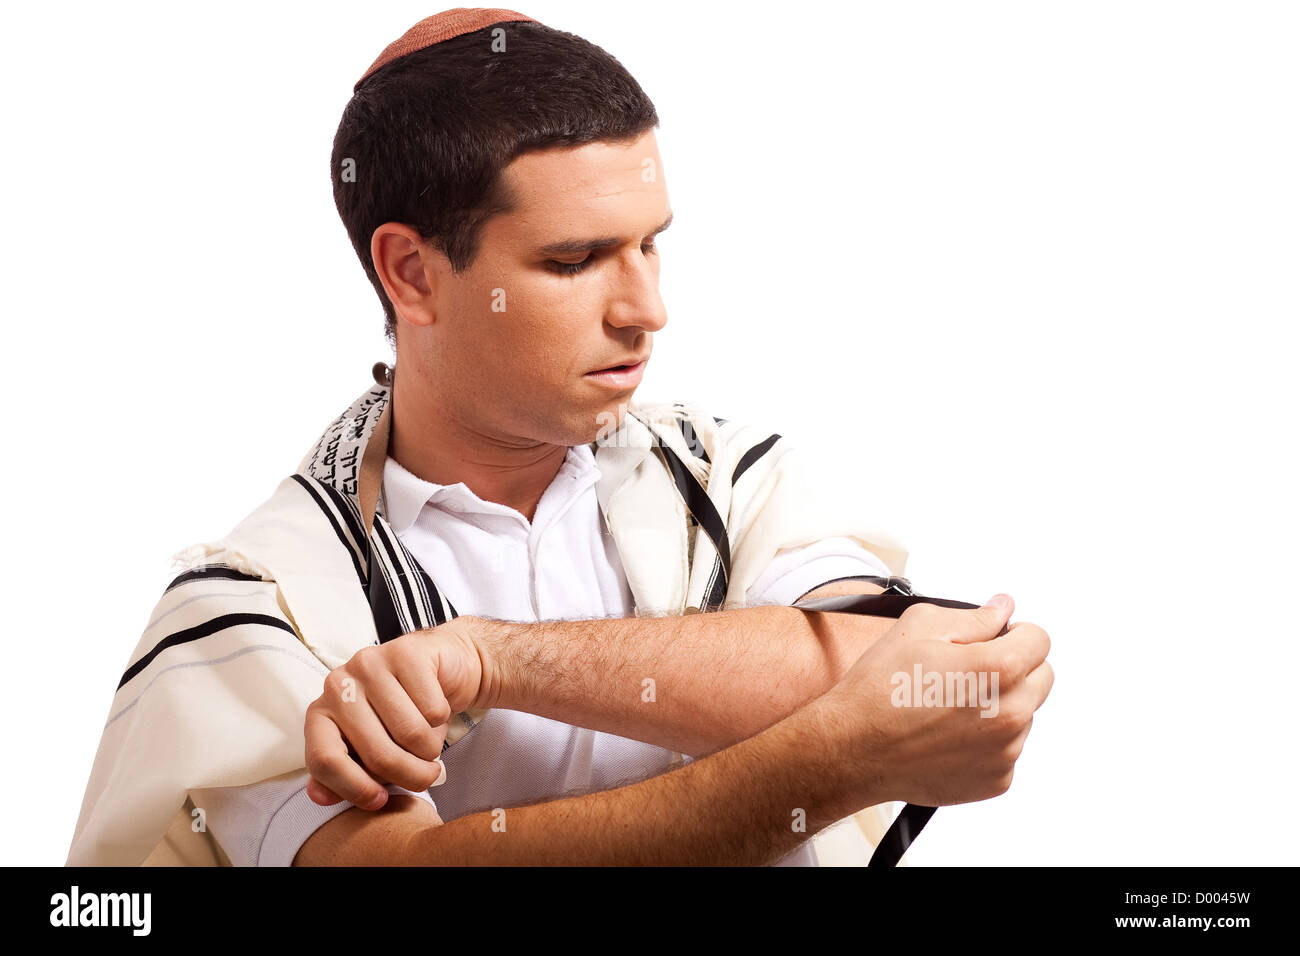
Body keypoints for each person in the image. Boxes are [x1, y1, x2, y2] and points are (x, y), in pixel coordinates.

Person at [67, 8, 1053, 867]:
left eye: (651, 242)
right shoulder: (263, 597)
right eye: (576, 259)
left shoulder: (731, 477)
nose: (647, 307)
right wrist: (833, 759)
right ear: (410, 273)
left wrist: (496, 658)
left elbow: (878, 660)